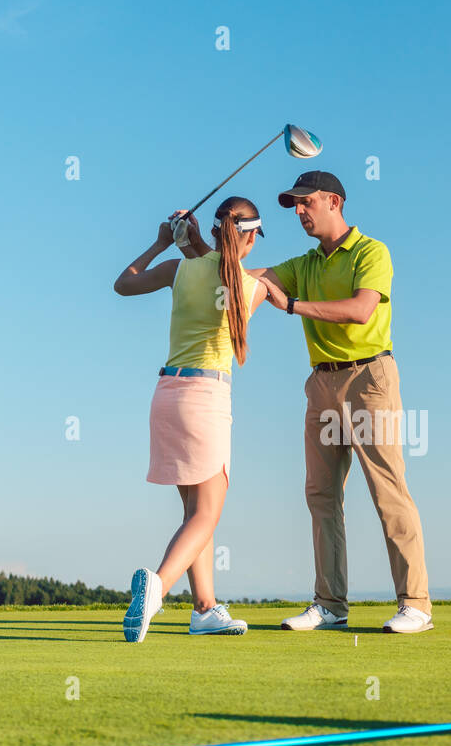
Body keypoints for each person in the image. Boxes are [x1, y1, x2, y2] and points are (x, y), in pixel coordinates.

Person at [178, 171, 433, 633]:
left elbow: (360, 311)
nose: (298, 212)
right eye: (294, 205)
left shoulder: (372, 252)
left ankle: (415, 603)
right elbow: (236, 277)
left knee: (387, 490)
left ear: (334, 201)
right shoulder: (305, 263)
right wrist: (197, 244)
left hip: (369, 377)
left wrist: (293, 305)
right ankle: (331, 604)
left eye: (305, 202)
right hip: (321, 385)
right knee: (320, 496)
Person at [111, 197, 267, 642]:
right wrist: (193, 242)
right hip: (206, 399)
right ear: (250, 236)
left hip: (166, 396)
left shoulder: (180, 270)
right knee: (208, 514)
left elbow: (124, 284)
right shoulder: (250, 285)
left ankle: (204, 609)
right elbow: (222, 270)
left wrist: (164, 243)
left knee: (193, 512)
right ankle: (158, 588)